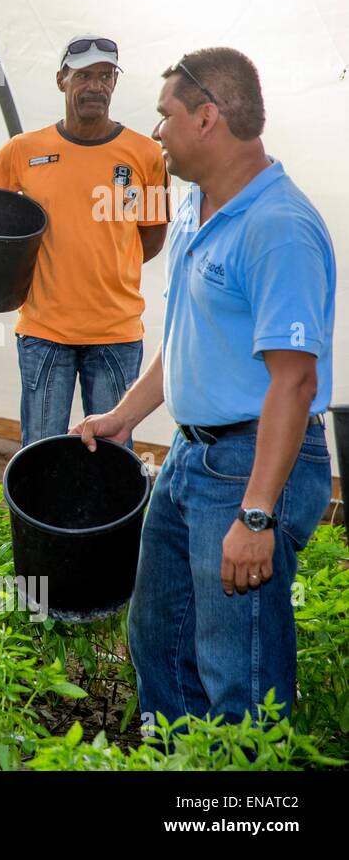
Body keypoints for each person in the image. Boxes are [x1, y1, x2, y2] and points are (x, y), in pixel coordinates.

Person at [74, 48, 335, 725]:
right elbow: (190, 335)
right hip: (193, 457)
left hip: (252, 463)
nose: (155, 132)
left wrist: (256, 515)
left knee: (237, 668)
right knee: (156, 638)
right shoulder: (195, 207)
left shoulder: (278, 229)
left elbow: (295, 381)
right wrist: (125, 416)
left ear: (208, 117)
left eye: (165, 116)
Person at [0, 36, 169, 446]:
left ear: (114, 84)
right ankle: (36, 515)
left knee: (113, 454)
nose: (96, 86)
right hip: (44, 332)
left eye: (106, 76)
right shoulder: (25, 150)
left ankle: (108, 515)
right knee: (40, 451)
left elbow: (153, 237)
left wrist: (107, 262)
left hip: (117, 333)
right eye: (84, 75)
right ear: (62, 80)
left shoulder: (145, 155)